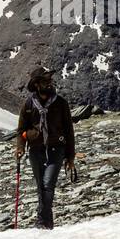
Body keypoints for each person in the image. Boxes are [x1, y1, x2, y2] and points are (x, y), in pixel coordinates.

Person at [14, 66, 76, 230]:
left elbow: (69, 130)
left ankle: (41, 220)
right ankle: (47, 223)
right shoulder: (28, 105)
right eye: (45, 81)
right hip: (36, 149)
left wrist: (70, 156)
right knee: (41, 186)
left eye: (50, 80)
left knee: (48, 184)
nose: (49, 84)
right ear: (36, 84)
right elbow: (21, 130)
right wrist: (21, 147)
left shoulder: (61, 103)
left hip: (57, 149)